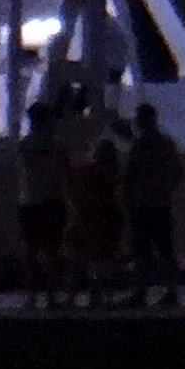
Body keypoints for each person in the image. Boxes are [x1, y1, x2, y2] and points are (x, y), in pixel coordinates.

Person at [16, 87, 73, 308]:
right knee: (52, 250)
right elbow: (66, 176)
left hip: (29, 202)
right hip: (52, 202)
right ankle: (51, 295)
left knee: (30, 251)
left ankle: (30, 297)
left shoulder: (23, 146)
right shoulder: (58, 146)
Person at [122, 101, 183, 307]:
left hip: (142, 204)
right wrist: (164, 189)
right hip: (160, 203)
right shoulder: (166, 144)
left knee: (142, 251)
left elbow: (129, 175)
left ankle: (140, 291)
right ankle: (171, 290)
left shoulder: (139, 146)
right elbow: (177, 172)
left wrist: (128, 197)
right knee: (165, 249)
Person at [71, 126, 126, 307]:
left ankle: (96, 293)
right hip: (104, 220)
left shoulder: (86, 172)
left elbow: (78, 194)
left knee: (94, 259)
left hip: (93, 220)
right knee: (103, 259)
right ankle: (104, 293)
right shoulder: (112, 174)